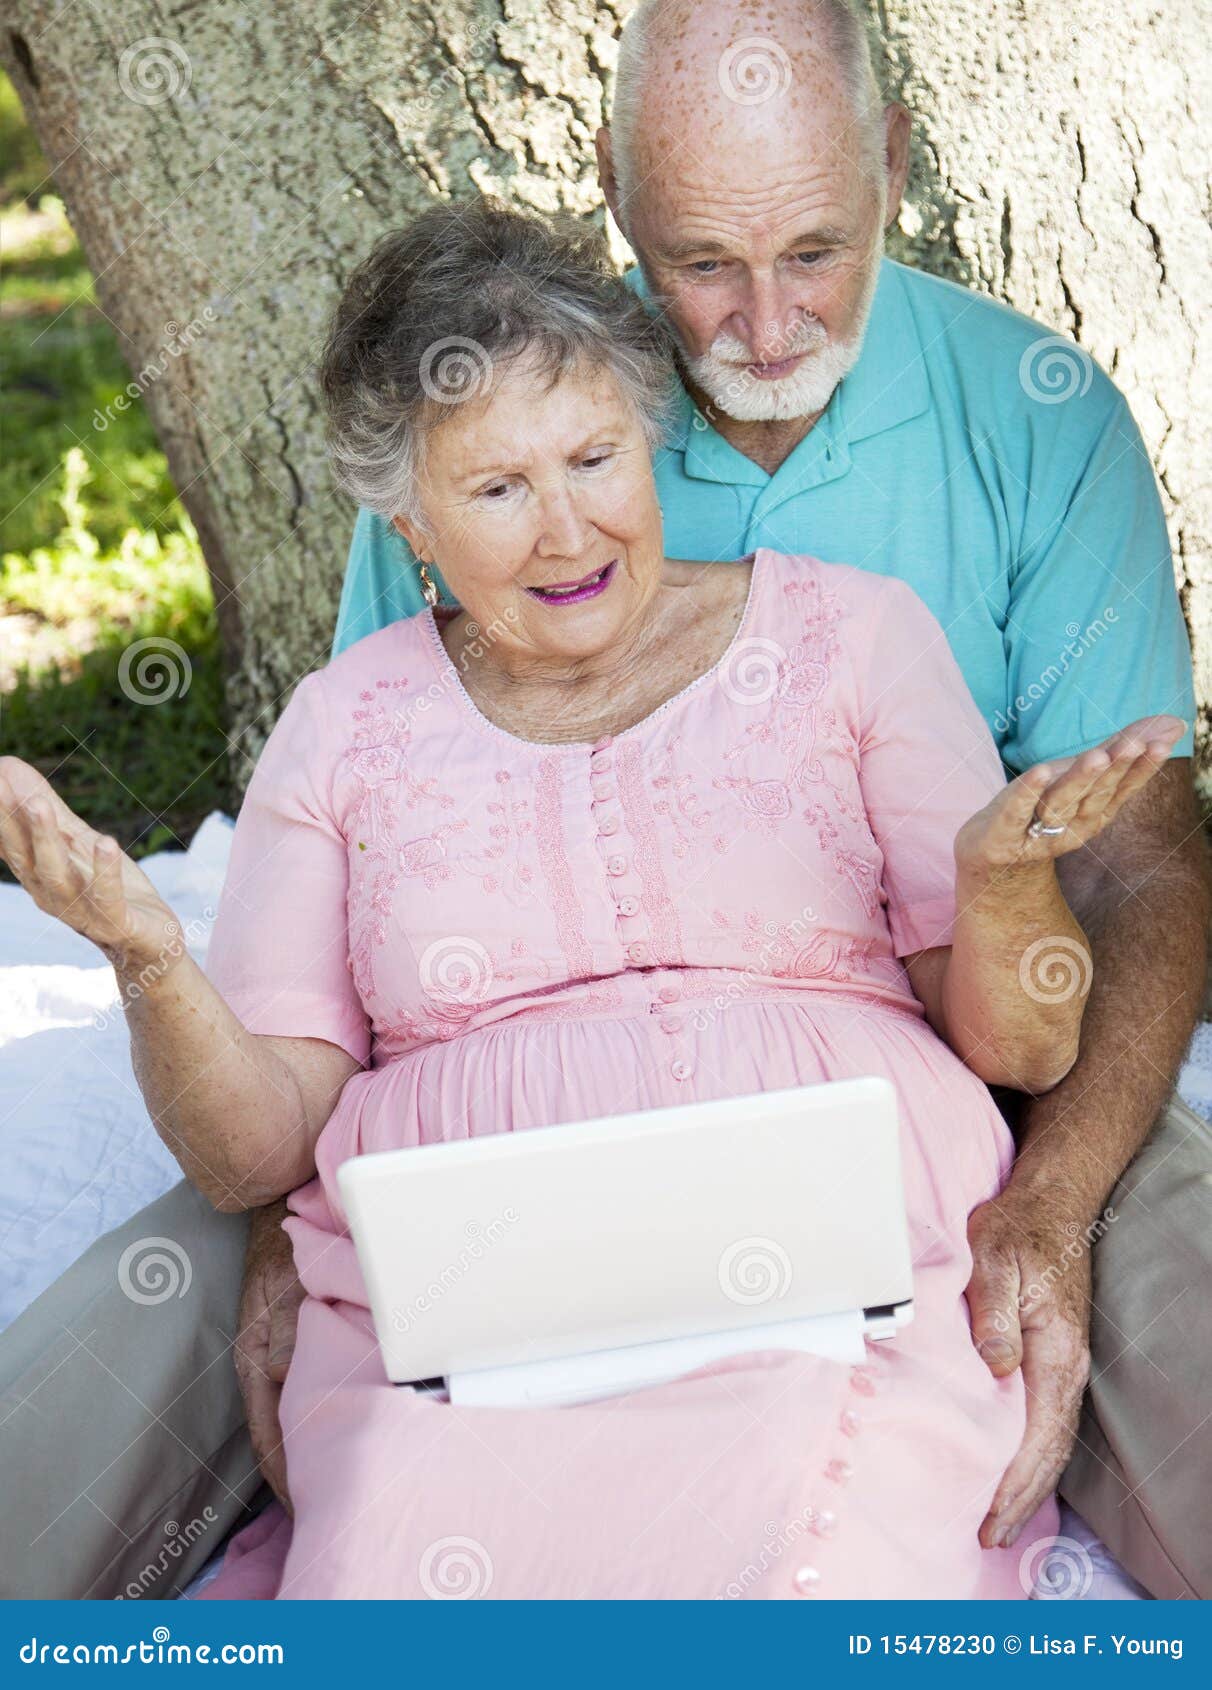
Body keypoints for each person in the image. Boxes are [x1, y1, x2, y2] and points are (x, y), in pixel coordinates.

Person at [0, 0, 1205, 1601]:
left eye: (814, 252)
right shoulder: (465, 476)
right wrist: (283, 1175)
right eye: (705, 261)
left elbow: (1127, 895)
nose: (765, 323)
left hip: (925, 1151)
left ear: (895, 168)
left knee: (1128, 1341)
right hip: (466, 1219)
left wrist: (1047, 1182)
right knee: (166, 1370)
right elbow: (317, 996)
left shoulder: (1016, 439)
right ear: (619, 201)